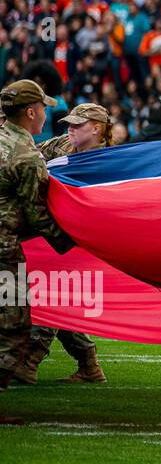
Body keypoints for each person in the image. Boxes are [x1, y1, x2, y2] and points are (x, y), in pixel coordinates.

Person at [17, 103, 112, 386]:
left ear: (97, 128)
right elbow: (31, 155)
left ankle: (31, 360)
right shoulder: (61, 145)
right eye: (68, 124)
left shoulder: (110, 161)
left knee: (54, 293)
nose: (69, 129)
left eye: (77, 125)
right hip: (51, 232)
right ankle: (88, 364)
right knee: (58, 294)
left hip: (78, 239)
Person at [0, 80, 78, 425]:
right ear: (31, 112)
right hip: (3, 253)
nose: (47, 113)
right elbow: (36, 213)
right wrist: (75, 240)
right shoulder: (27, 157)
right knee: (13, 326)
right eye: (44, 108)